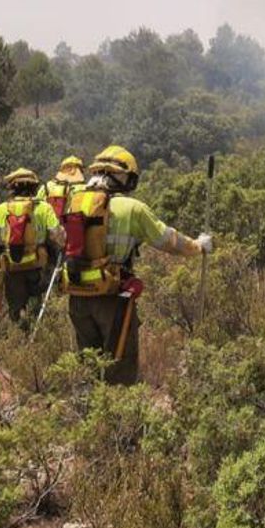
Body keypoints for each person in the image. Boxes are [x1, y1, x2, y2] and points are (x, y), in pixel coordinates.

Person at [62, 145, 212, 384]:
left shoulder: (75, 202)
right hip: (113, 295)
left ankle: (87, 412)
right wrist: (198, 246)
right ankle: (120, 418)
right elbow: (168, 241)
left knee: (87, 363)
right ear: (123, 176)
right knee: (119, 366)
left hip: (78, 293)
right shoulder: (132, 208)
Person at [0, 168, 64, 329]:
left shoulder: (1, 209)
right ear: (33, 188)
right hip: (37, 266)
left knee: (15, 309)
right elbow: (57, 234)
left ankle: (18, 338)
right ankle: (36, 338)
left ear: (12, 188)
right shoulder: (44, 208)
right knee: (36, 307)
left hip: (12, 267)